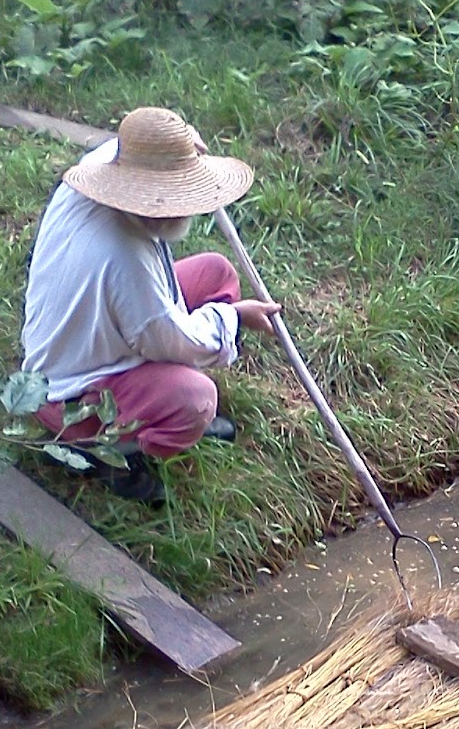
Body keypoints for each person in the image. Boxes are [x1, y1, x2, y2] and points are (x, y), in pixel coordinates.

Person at [22, 105, 280, 505]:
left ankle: (147, 402)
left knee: (215, 271)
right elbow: (174, 341)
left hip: (91, 331)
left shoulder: (100, 170)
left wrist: (177, 145)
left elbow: (135, 143)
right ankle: (109, 450)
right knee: (195, 399)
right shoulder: (126, 258)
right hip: (68, 396)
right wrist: (235, 318)